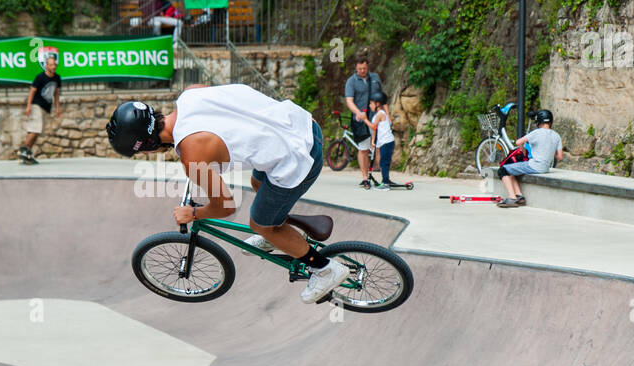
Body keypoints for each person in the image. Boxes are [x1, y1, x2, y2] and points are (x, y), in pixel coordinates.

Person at [105, 84, 351, 304]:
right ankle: (278, 234)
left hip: (299, 157)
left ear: (147, 146)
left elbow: (226, 206)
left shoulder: (191, 154)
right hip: (301, 125)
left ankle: (324, 269)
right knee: (257, 182)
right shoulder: (191, 93)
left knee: (261, 224)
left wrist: (192, 212)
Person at [497, 109, 564, 207]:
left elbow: (518, 142)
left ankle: (512, 198)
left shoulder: (537, 132)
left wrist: (522, 149)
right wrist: (549, 150)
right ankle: (519, 196)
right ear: (551, 122)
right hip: (545, 168)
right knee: (512, 171)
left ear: (538, 121)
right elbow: (560, 156)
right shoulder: (556, 136)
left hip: (534, 165)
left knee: (503, 170)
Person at [343, 55, 383, 189]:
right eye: (360, 69)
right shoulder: (351, 81)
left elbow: (382, 97)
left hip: (376, 117)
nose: (362, 71)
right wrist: (357, 112)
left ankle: (384, 176)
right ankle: (365, 177)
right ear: (356, 67)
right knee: (363, 149)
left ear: (368, 67)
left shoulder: (375, 78)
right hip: (360, 120)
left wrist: (386, 115)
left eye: (364, 68)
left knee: (380, 147)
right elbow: (349, 100)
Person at [19, 52, 62, 164]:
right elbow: (32, 91)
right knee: (35, 129)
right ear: (46, 66)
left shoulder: (57, 78)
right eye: (51, 65)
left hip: (45, 107)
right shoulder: (40, 77)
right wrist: (28, 106)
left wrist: (57, 107)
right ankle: (24, 150)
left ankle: (27, 152)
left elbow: (56, 93)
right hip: (36, 105)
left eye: (54, 65)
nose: (53, 67)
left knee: (36, 131)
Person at [366, 90, 409, 190]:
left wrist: (364, 119)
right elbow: (375, 130)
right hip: (383, 142)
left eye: (371, 103)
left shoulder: (381, 113)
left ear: (377, 104)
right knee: (383, 161)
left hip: (387, 142)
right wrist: (373, 141)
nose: (369, 105)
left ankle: (385, 183)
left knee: (383, 162)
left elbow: (373, 126)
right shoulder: (377, 115)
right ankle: (386, 180)